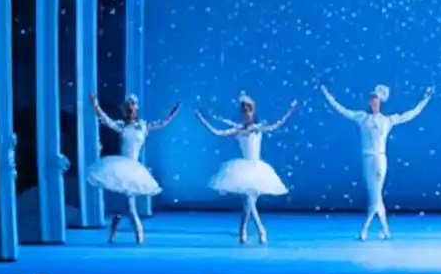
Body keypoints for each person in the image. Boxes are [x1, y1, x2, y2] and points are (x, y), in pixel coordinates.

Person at [321, 83, 434, 240]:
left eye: (377, 101)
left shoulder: (387, 120)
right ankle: (385, 230)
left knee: (376, 194)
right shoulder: (362, 118)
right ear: (369, 102)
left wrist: (424, 101)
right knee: (375, 194)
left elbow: (410, 114)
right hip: (367, 159)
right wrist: (328, 95)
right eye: (372, 101)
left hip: (379, 158)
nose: (375, 103)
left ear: (380, 102)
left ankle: (365, 229)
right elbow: (342, 110)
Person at [196, 93, 296, 244]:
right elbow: (217, 132)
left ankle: (242, 230)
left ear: (253, 111)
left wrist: (289, 111)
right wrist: (203, 121)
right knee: (249, 201)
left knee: (248, 203)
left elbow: (277, 124)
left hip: (257, 168)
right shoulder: (238, 130)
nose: (247, 112)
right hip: (243, 168)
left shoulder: (258, 128)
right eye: (244, 110)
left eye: (249, 109)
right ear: (242, 112)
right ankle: (261, 230)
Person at [86, 91, 180, 244]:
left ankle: (138, 237)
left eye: (133, 105)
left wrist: (172, 113)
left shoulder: (143, 126)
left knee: (130, 206)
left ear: (136, 108)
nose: (130, 108)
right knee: (120, 206)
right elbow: (105, 119)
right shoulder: (121, 125)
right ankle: (118, 235)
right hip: (120, 166)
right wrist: (95, 104)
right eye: (128, 106)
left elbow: (161, 123)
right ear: (125, 109)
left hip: (133, 169)